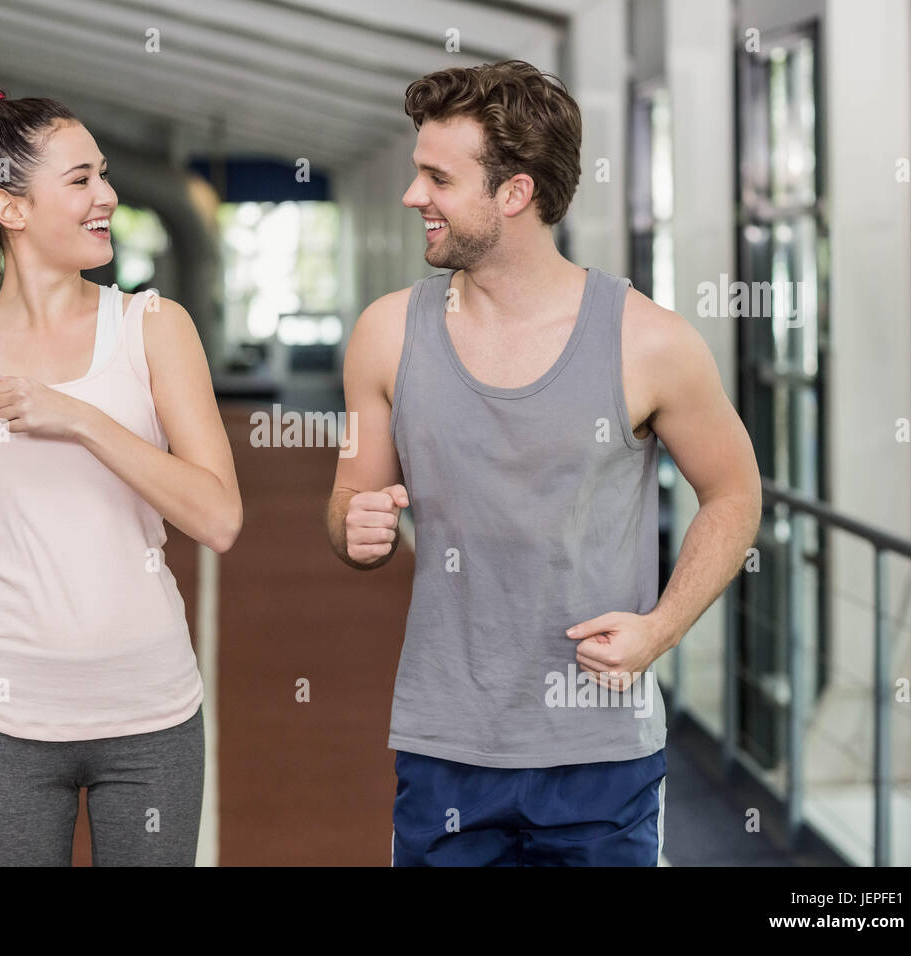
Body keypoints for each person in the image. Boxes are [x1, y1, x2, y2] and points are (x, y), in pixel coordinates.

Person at [325, 60, 762, 866]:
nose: (411, 196)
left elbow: (734, 492)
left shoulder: (651, 341)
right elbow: (353, 498)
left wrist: (660, 630)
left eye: (436, 178)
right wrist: (356, 527)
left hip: (601, 756)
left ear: (514, 193)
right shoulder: (386, 334)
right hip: (446, 745)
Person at [0, 83, 242, 866]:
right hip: (7, 717)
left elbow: (218, 517)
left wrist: (81, 420)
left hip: (151, 712)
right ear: (12, 208)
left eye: (103, 175)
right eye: (81, 180)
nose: (106, 195)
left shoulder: (154, 328)